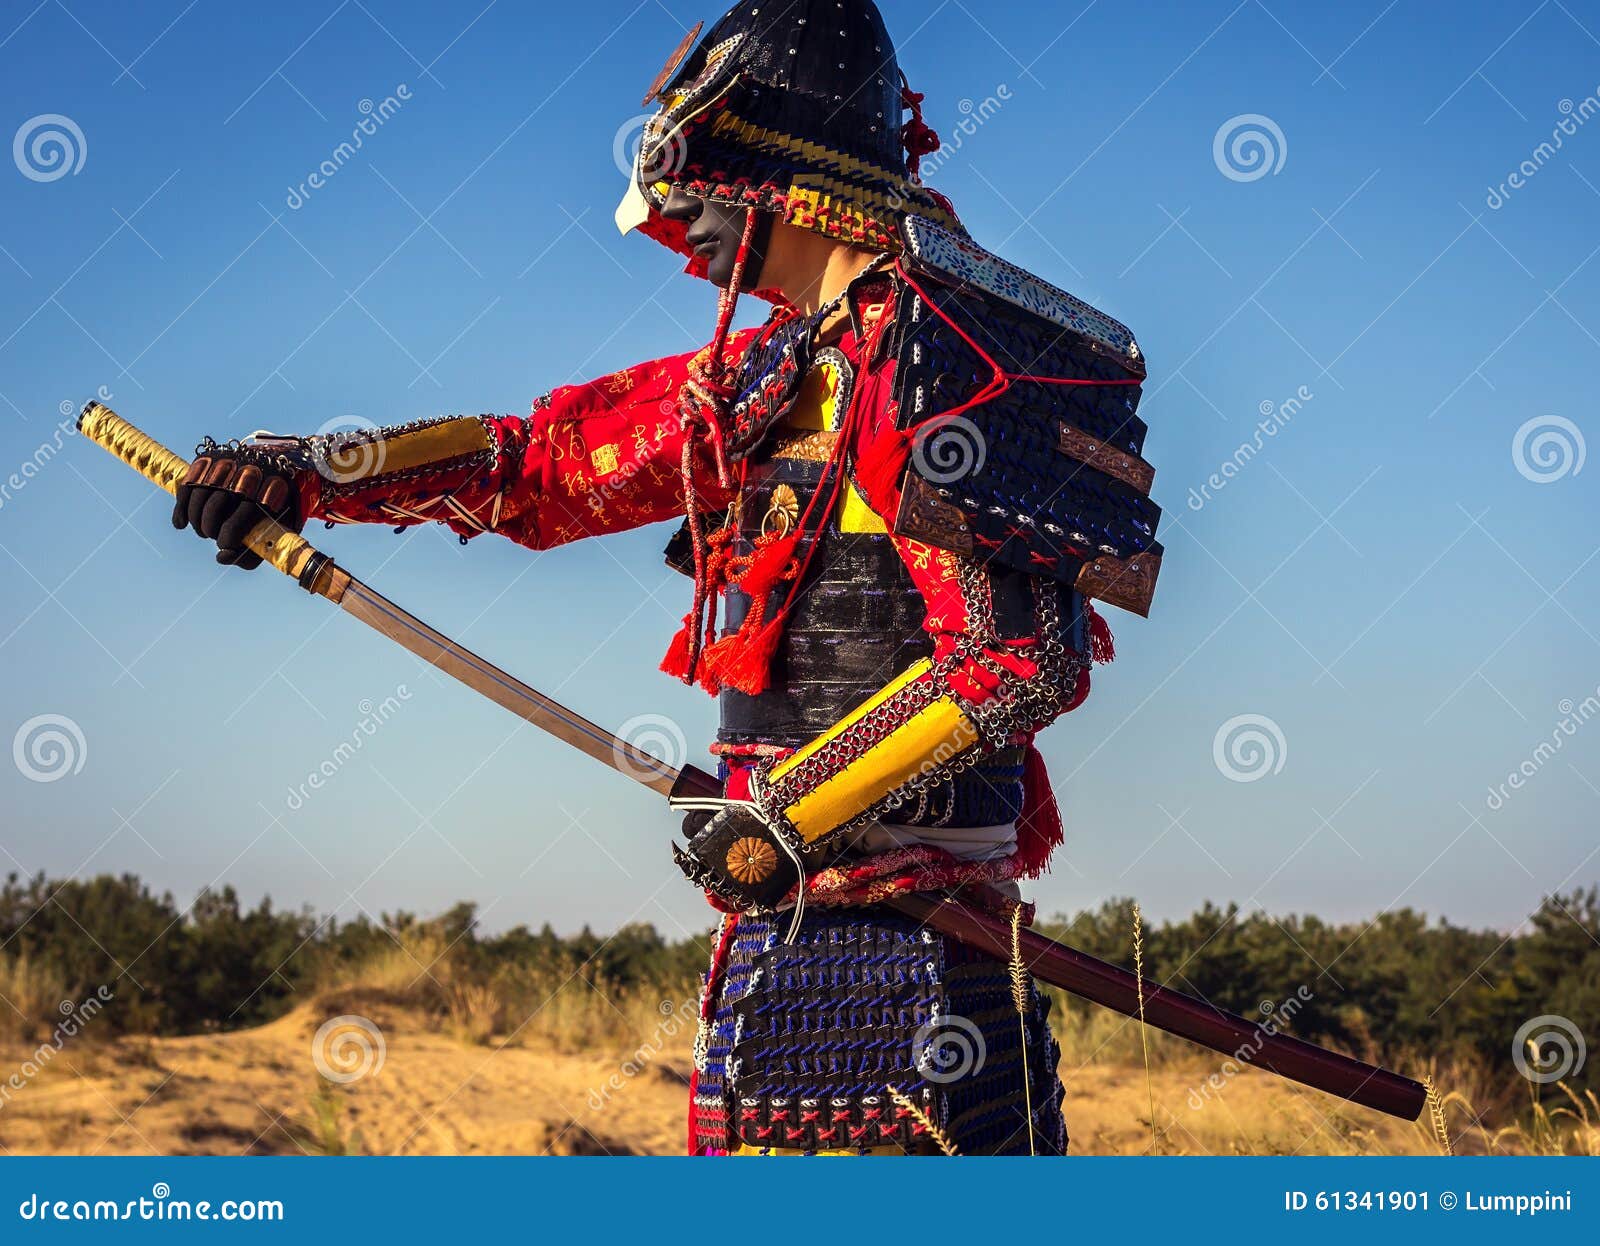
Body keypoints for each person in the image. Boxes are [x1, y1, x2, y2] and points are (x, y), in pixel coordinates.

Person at [171, 0, 1162, 1155]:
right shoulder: (779, 365)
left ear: (766, 165)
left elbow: (1014, 666)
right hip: (783, 917)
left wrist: (788, 812)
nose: (662, 219)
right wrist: (304, 473)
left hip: (912, 941)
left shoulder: (946, 361)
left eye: (683, 181)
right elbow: (541, 465)